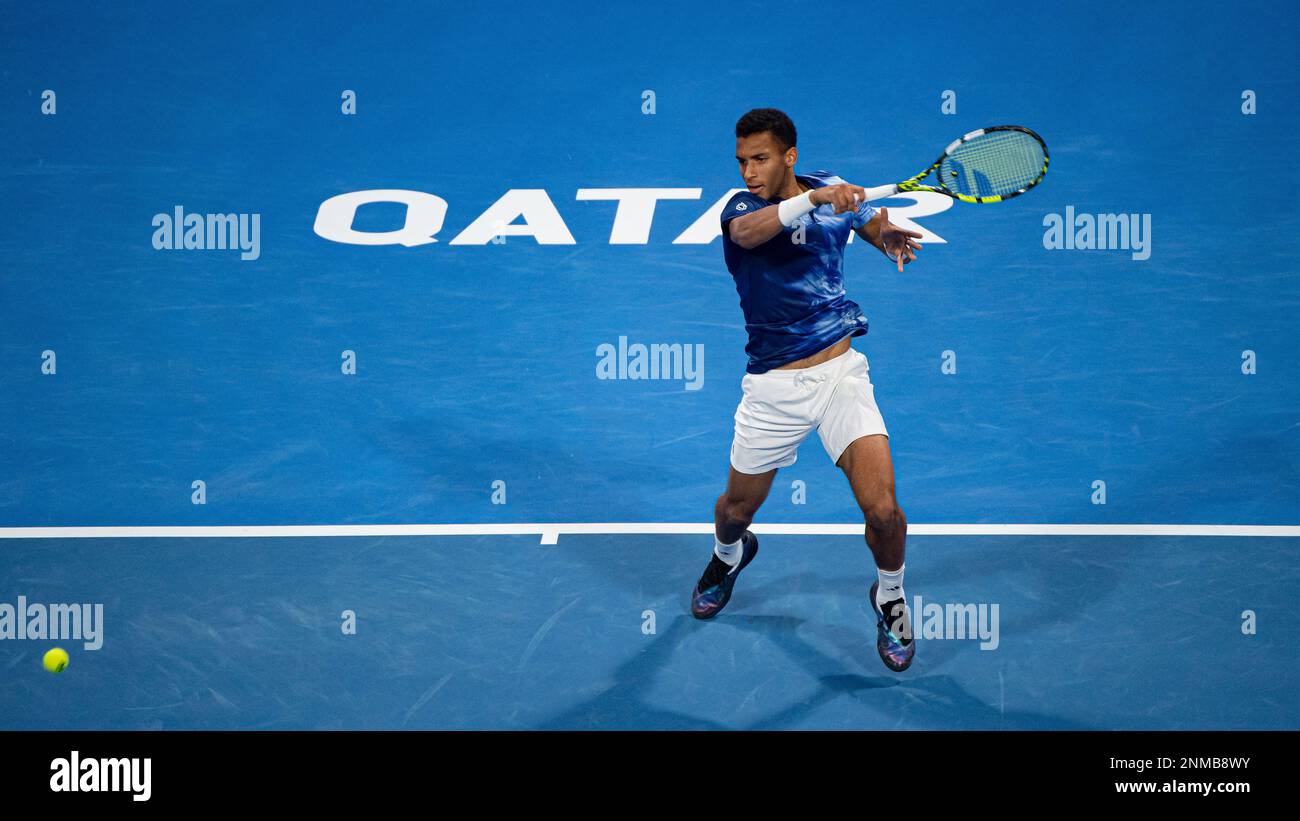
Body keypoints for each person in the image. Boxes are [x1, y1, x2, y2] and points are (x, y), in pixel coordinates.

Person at [690, 108, 922, 672]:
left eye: (761, 159)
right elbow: (751, 233)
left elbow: (866, 223)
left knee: (885, 512)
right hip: (773, 387)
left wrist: (881, 232)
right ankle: (731, 554)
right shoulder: (740, 211)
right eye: (742, 160)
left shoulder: (826, 187)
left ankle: (889, 594)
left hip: (842, 375)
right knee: (735, 510)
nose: (749, 171)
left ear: (789, 157)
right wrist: (819, 200)